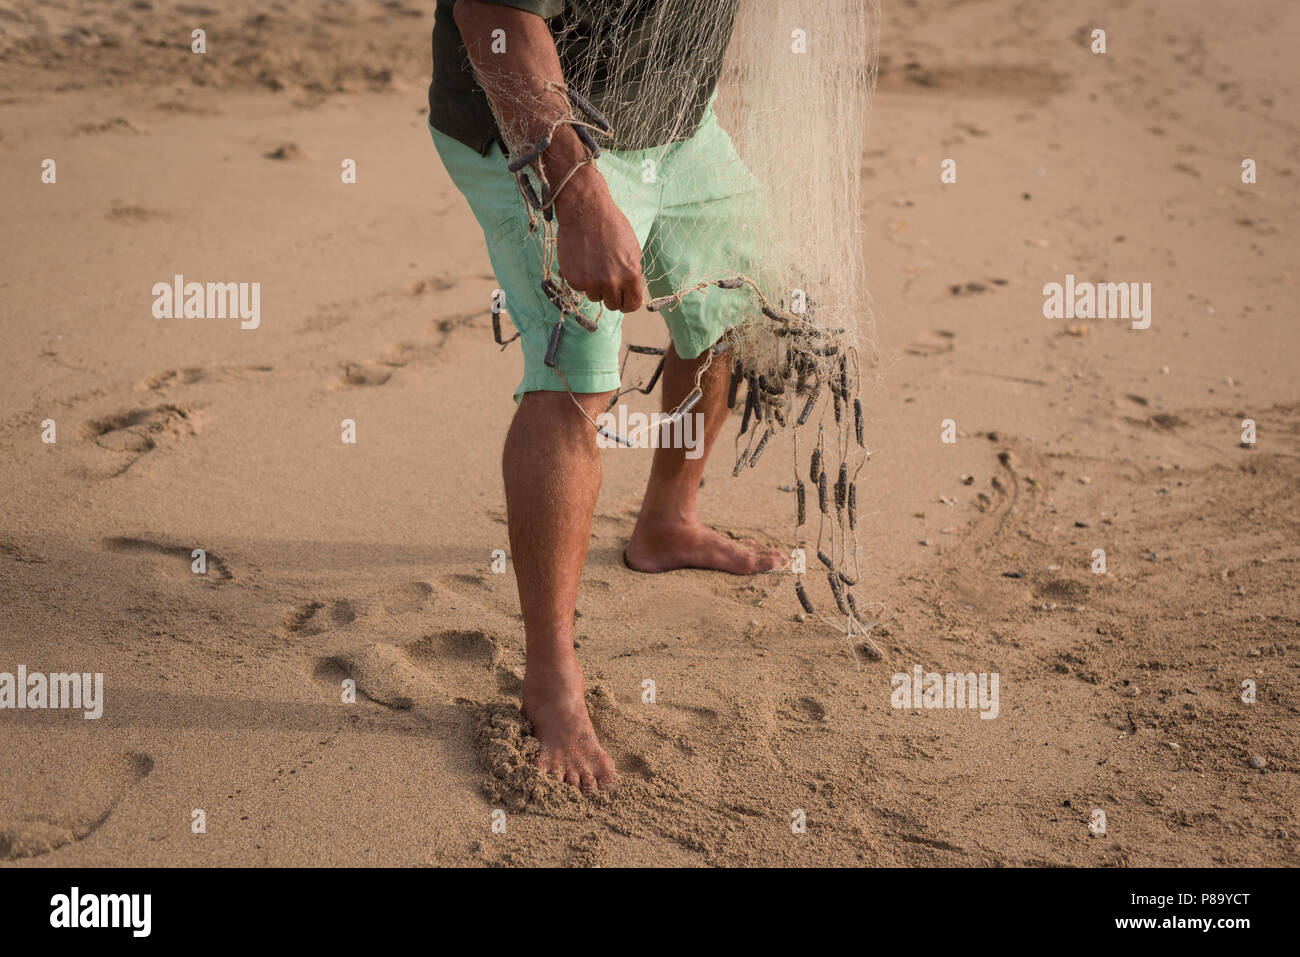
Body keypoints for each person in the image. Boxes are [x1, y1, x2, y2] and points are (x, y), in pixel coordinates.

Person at [428, 0, 782, 793]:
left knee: (722, 303)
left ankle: (668, 521)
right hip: (535, 128)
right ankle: (550, 679)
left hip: (675, 119)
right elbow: (492, 15)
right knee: (576, 376)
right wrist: (580, 192)